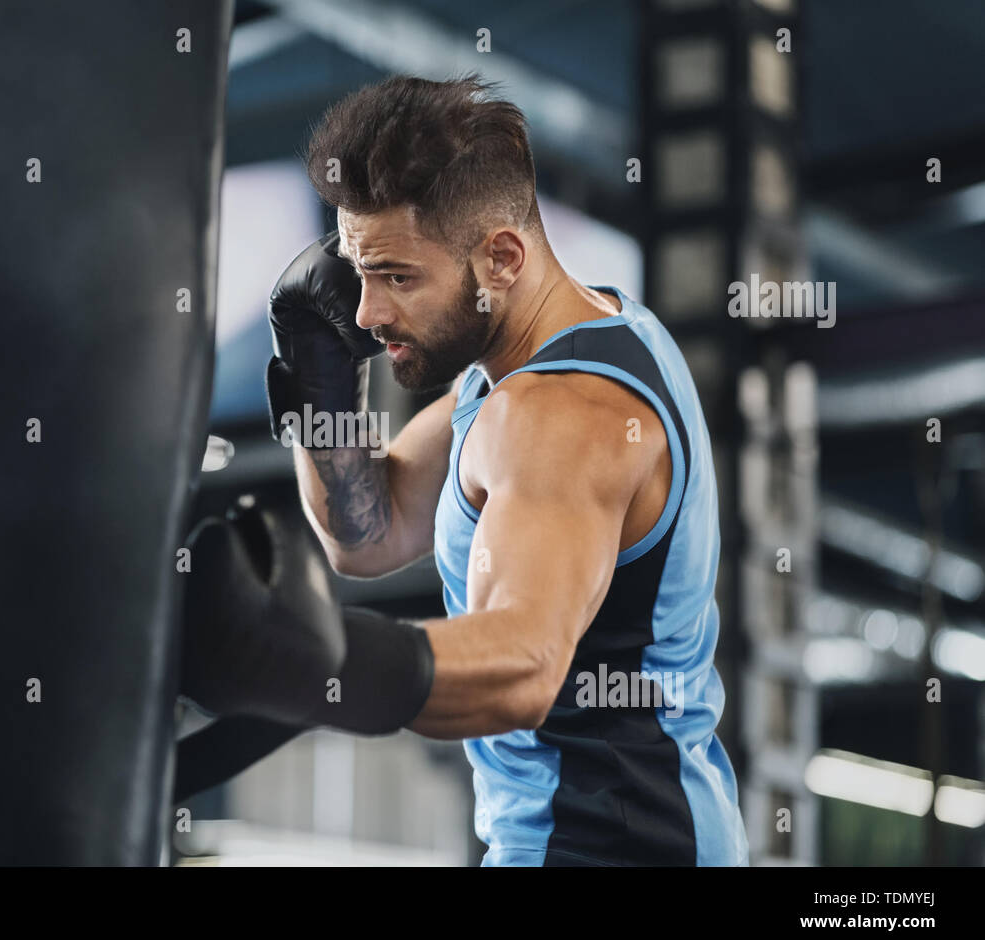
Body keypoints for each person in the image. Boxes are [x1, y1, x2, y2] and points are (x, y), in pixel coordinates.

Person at [181, 73, 749, 867]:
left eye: (398, 276)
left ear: (503, 257)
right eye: (358, 269)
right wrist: (320, 389)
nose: (369, 313)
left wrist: (321, 662)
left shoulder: (562, 417)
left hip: (614, 846)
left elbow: (524, 670)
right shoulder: (522, 369)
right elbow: (368, 536)